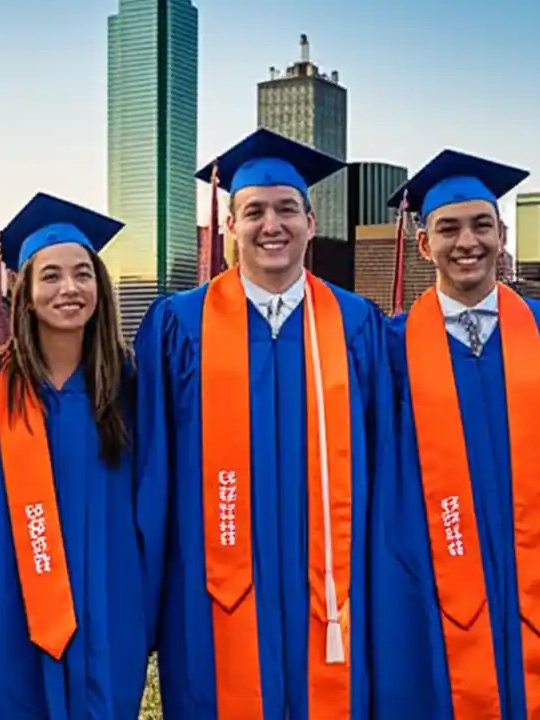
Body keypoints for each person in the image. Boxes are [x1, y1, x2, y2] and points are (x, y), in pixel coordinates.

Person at [134, 128, 394, 718]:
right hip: (208, 596)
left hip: (333, 599)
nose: (270, 226)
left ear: (309, 219)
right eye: (253, 211)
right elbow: (153, 472)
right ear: (230, 225)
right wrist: (149, 602)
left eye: (285, 210)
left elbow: (383, 467)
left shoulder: (357, 326)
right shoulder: (178, 326)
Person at [371, 150, 540, 719]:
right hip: (432, 567)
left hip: (539, 569)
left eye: (481, 225)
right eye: (448, 228)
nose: (467, 242)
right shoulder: (390, 346)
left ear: (502, 234)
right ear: (423, 245)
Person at [0, 192, 147, 718]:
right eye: (50, 275)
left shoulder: (131, 385)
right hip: (9, 601)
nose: (70, 288)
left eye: (83, 273)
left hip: (108, 603)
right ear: (22, 290)